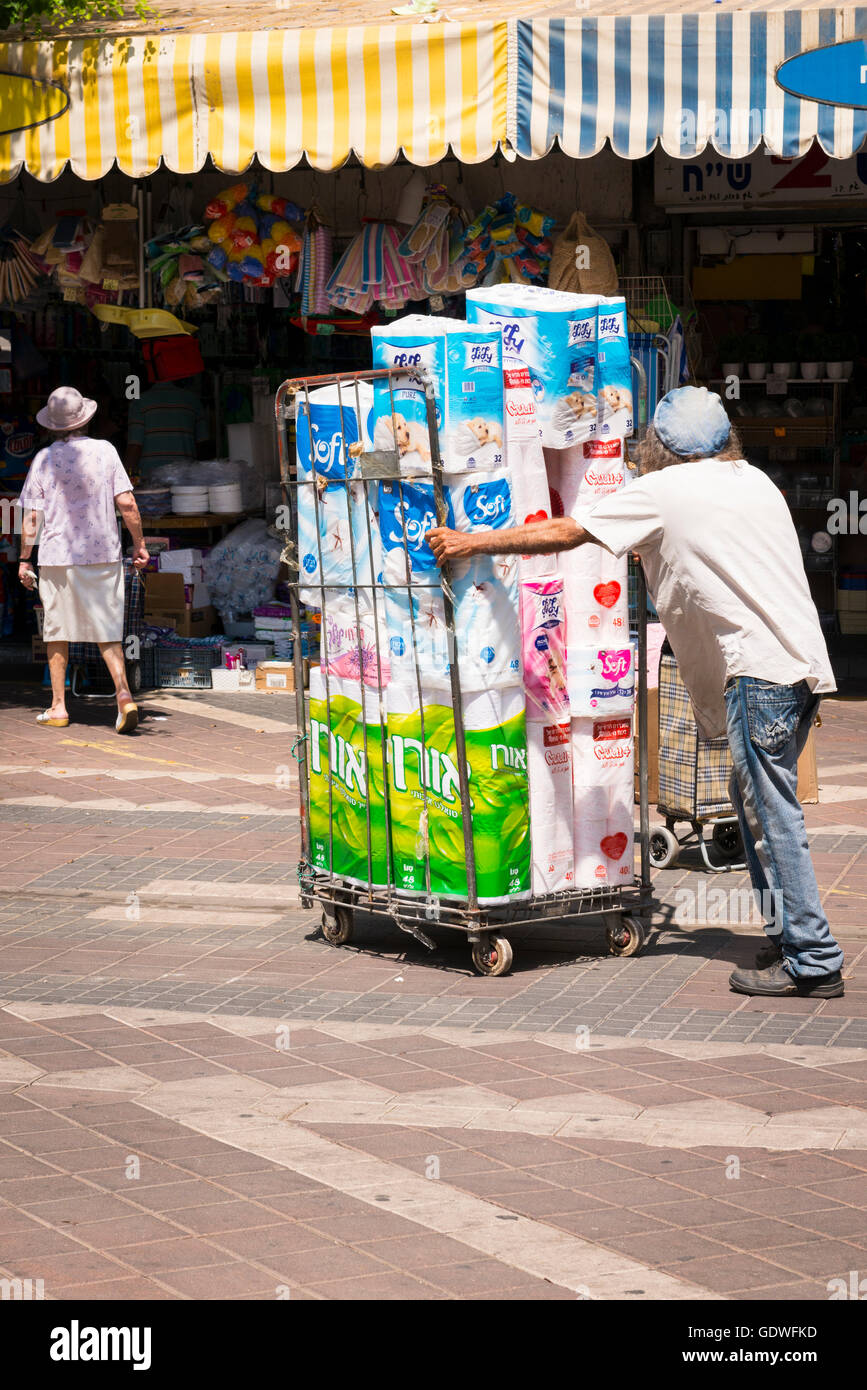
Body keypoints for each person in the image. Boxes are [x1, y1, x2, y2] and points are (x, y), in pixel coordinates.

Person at [428, 385, 843, 1000]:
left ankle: (813, 956)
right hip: (798, 670)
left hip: (758, 674)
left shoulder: (664, 490)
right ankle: (788, 936)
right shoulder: (754, 480)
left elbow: (567, 533)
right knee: (752, 802)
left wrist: (473, 543)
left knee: (770, 817)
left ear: (660, 447)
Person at [17, 386, 149, 734]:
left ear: (53, 426)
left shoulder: (44, 459)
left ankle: (59, 707)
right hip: (103, 554)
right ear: (86, 419)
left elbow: (32, 518)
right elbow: (127, 504)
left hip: (57, 557)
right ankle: (123, 696)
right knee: (107, 632)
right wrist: (139, 544)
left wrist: (24, 560)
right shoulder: (105, 451)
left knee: (56, 630)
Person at [125, 376, 212, 482]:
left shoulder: (138, 403)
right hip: (186, 482)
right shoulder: (193, 401)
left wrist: (131, 484)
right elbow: (203, 447)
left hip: (150, 484)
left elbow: (135, 448)